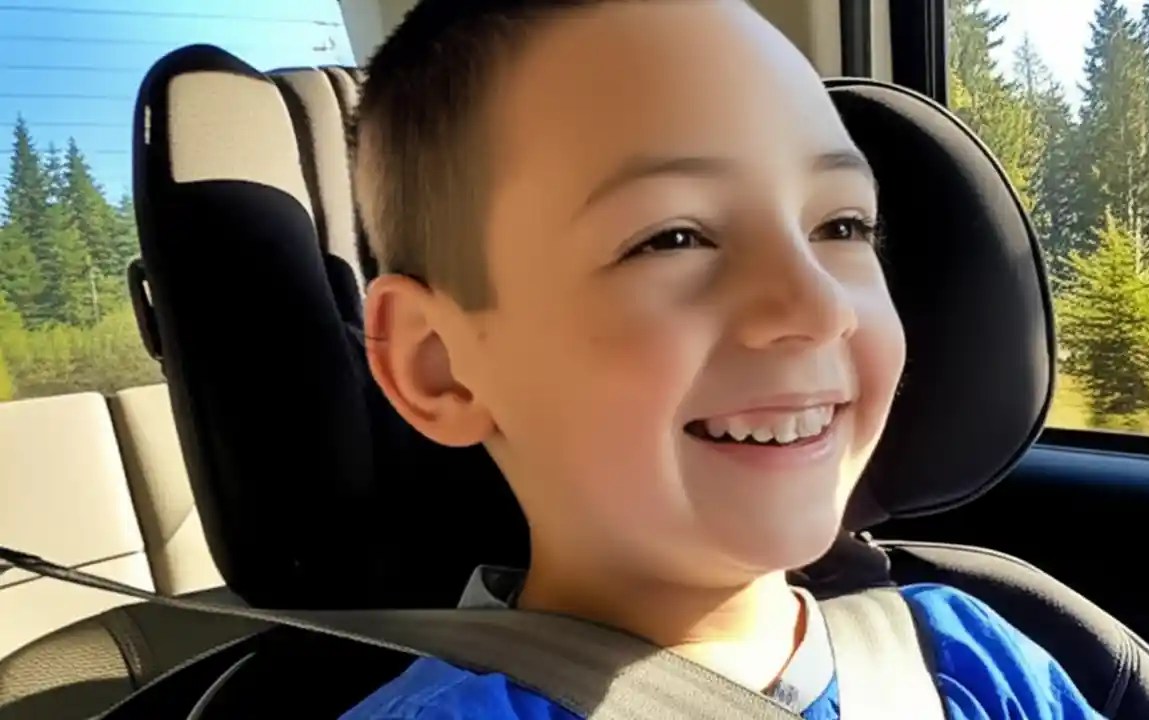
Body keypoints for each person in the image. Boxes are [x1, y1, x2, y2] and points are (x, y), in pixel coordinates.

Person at [342, 1, 1104, 718]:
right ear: (440, 365)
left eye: (842, 224)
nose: (820, 307)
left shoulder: (965, 663)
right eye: (672, 238)